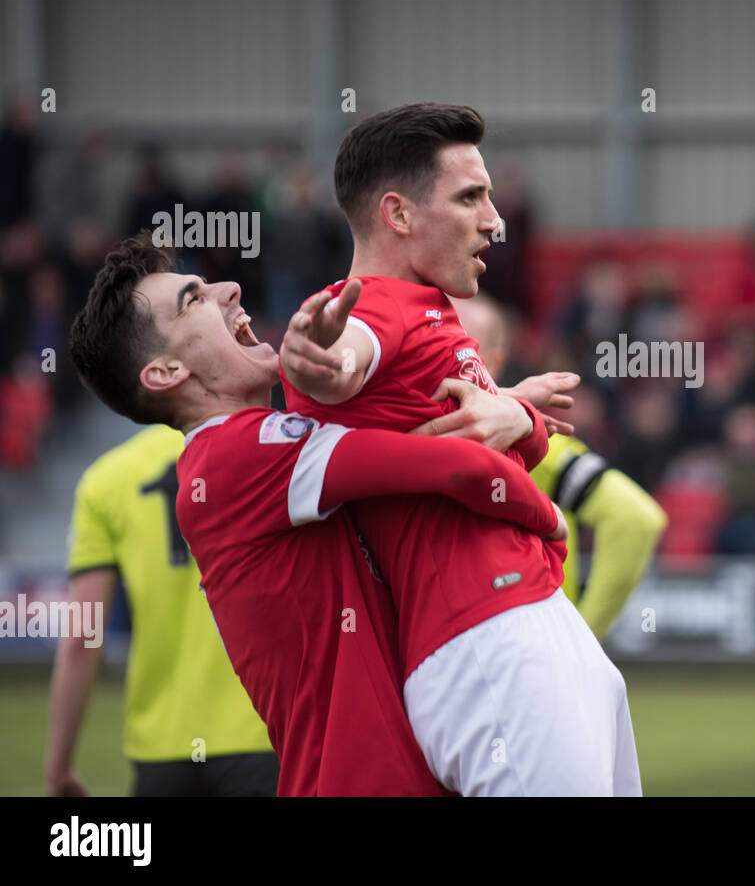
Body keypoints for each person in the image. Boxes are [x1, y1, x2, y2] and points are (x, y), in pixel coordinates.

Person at [67, 234, 566, 796]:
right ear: (163, 373)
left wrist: (501, 402)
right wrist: (550, 520)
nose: (230, 289)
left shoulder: (241, 458)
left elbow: (413, 443)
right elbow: (455, 467)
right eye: (194, 300)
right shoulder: (242, 453)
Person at [278, 102, 642, 795]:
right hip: (490, 641)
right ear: (400, 214)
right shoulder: (370, 304)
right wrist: (311, 357)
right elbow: (341, 356)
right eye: (471, 197)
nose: (495, 219)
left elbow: (473, 433)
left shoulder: (429, 309)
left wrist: (517, 411)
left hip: (527, 620)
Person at [46, 426, 277, 797]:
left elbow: (81, 637)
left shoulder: (106, 478)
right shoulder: (267, 450)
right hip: (265, 732)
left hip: (162, 747)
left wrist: (58, 765)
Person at [456, 292, 668, 640]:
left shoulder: (533, 446)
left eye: (463, 350)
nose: (445, 359)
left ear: (494, 362)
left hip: (515, 664)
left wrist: (584, 639)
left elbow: (637, 519)